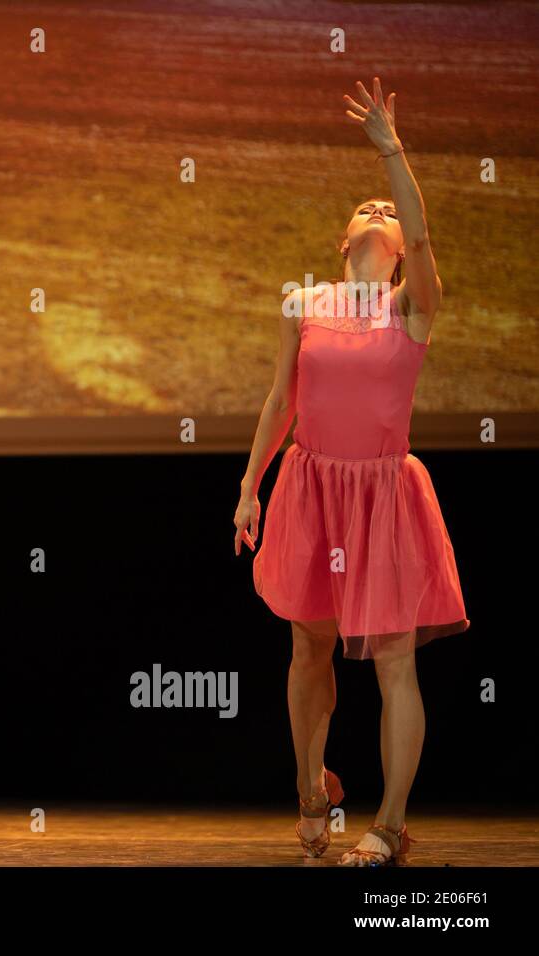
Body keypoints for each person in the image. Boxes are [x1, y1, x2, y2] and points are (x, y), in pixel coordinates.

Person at [233, 78, 469, 866]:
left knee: (394, 659)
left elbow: (428, 238)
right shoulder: (303, 303)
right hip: (311, 488)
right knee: (309, 649)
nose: (380, 210)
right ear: (342, 240)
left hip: (382, 498)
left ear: (404, 247)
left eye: (390, 211)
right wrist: (249, 488)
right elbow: (279, 402)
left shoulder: (415, 307)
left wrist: (392, 151)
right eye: (367, 206)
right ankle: (310, 789)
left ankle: (391, 823)